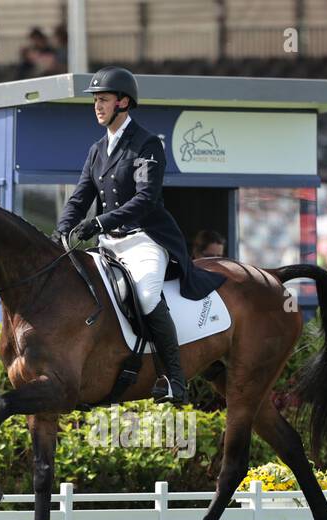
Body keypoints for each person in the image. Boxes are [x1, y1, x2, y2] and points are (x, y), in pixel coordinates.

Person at [55, 68, 225, 405]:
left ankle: (175, 378)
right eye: (95, 100)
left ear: (123, 102)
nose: (97, 106)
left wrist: (99, 223)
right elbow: (79, 198)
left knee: (146, 296)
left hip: (145, 239)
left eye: (103, 100)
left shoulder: (147, 144)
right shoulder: (97, 149)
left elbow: (145, 200)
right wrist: (62, 231)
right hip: (109, 245)